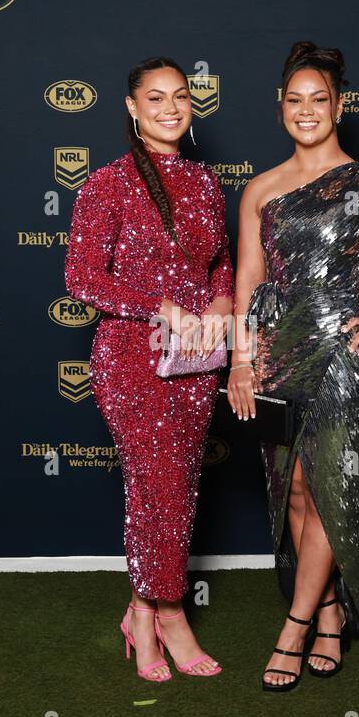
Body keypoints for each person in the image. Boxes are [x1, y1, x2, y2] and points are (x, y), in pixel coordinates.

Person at [227, 41, 359, 691]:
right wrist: (240, 357)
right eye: (296, 100)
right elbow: (249, 277)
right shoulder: (260, 190)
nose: (307, 111)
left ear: (340, 105)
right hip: (278, 353)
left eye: (320, 100)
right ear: (281, 107)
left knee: (325, 489)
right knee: (290, 487)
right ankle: (326, 616)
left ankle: (293, 627)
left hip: (346, 359)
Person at [64, 56, 234, 682]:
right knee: (153, 481)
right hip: (132, 358)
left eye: (181, 96)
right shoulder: (106, 184)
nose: (170, 107)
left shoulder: (206, 183)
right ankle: (168, 612)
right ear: (132, 108)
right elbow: (81, 279)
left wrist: (220, 300)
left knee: (179, 484)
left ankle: (142, 610)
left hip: (194, 359)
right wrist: (158, 305)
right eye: (155, 97)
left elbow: (220, 265)